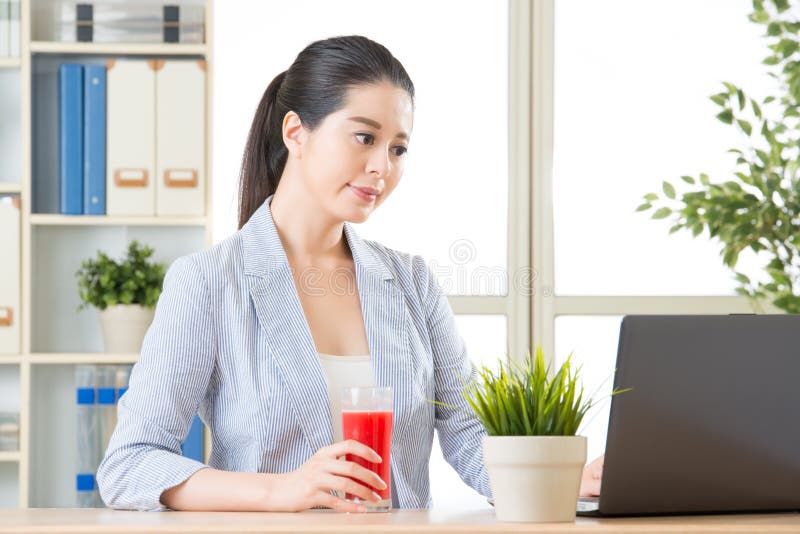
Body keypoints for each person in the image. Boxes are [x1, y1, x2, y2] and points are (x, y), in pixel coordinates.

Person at [96, 34, 604, 513]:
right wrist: (281, 491)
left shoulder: (411, 281)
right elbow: (130, 464)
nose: (383, 166)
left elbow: (469, 437)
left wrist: (560, 476)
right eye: (364, 137)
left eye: (398, 148)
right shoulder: (209, 282)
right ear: (295, 131)